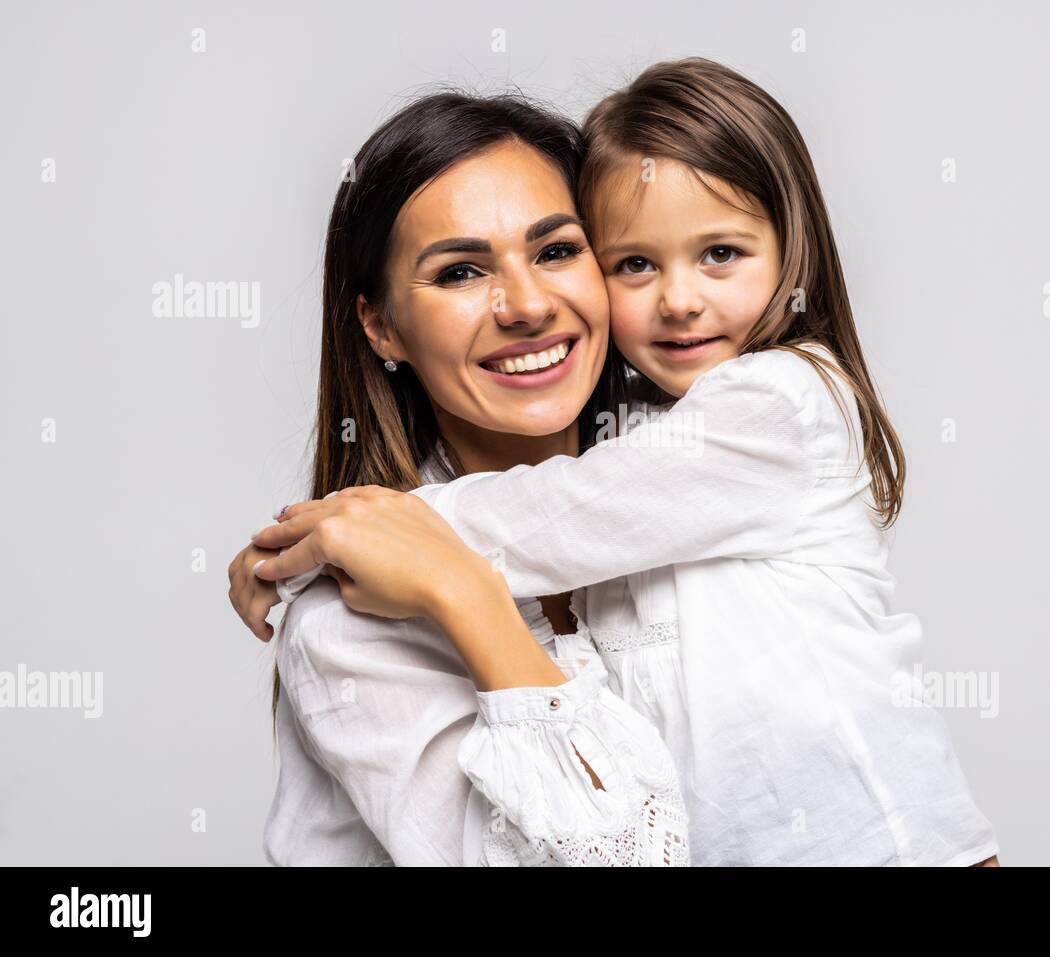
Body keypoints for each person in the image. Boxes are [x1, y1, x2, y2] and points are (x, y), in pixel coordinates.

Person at [250, 59, 1000, 866]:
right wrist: (453, 588)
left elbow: (577, 512)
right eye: (461, 271)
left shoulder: (706, 441)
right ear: (381, 326)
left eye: (557, 249)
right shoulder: (348, 623)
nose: (528, 306)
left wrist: (371, 530)